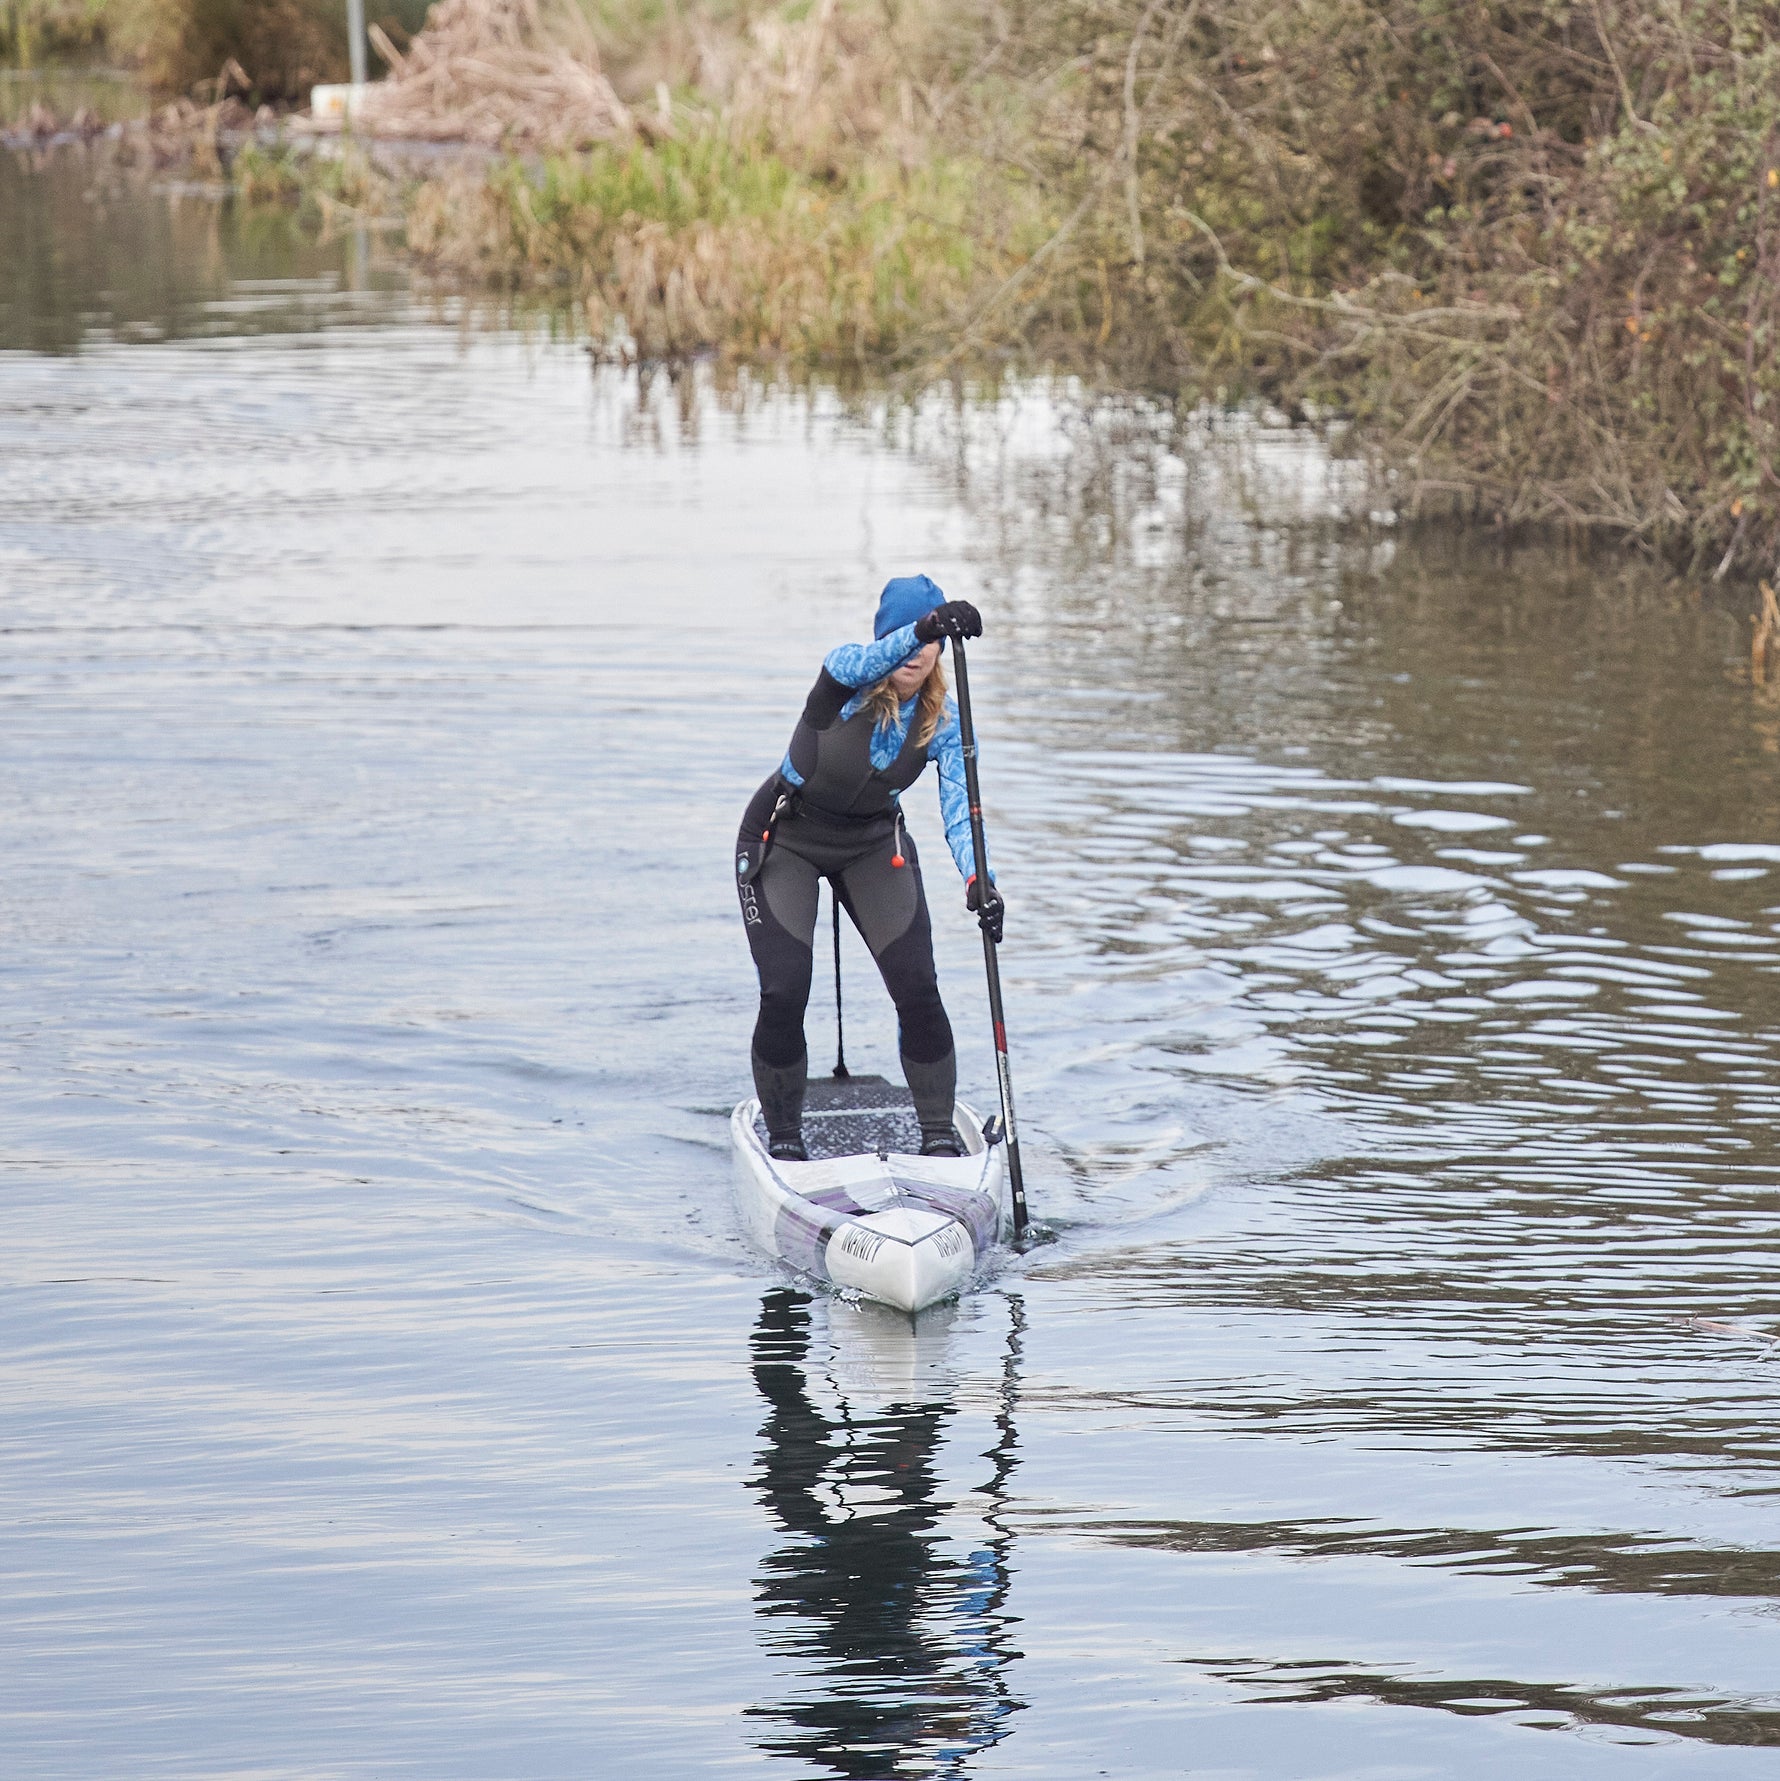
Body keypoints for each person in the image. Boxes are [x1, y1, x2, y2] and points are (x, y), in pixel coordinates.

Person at [737, 574, 1005, 1161]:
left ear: (939, 652)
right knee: (784, 991)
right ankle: (784, 1142)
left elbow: (961, 810)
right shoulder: (844, 679)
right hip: (786, 840)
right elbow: (859, 660)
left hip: (872, 847)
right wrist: (924, 627)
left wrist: (977, 879)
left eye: (927, 645)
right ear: (890, 638)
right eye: (905, 640)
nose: (914, 656)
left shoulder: (948, 722)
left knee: (919, 990)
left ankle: (936, 1140)